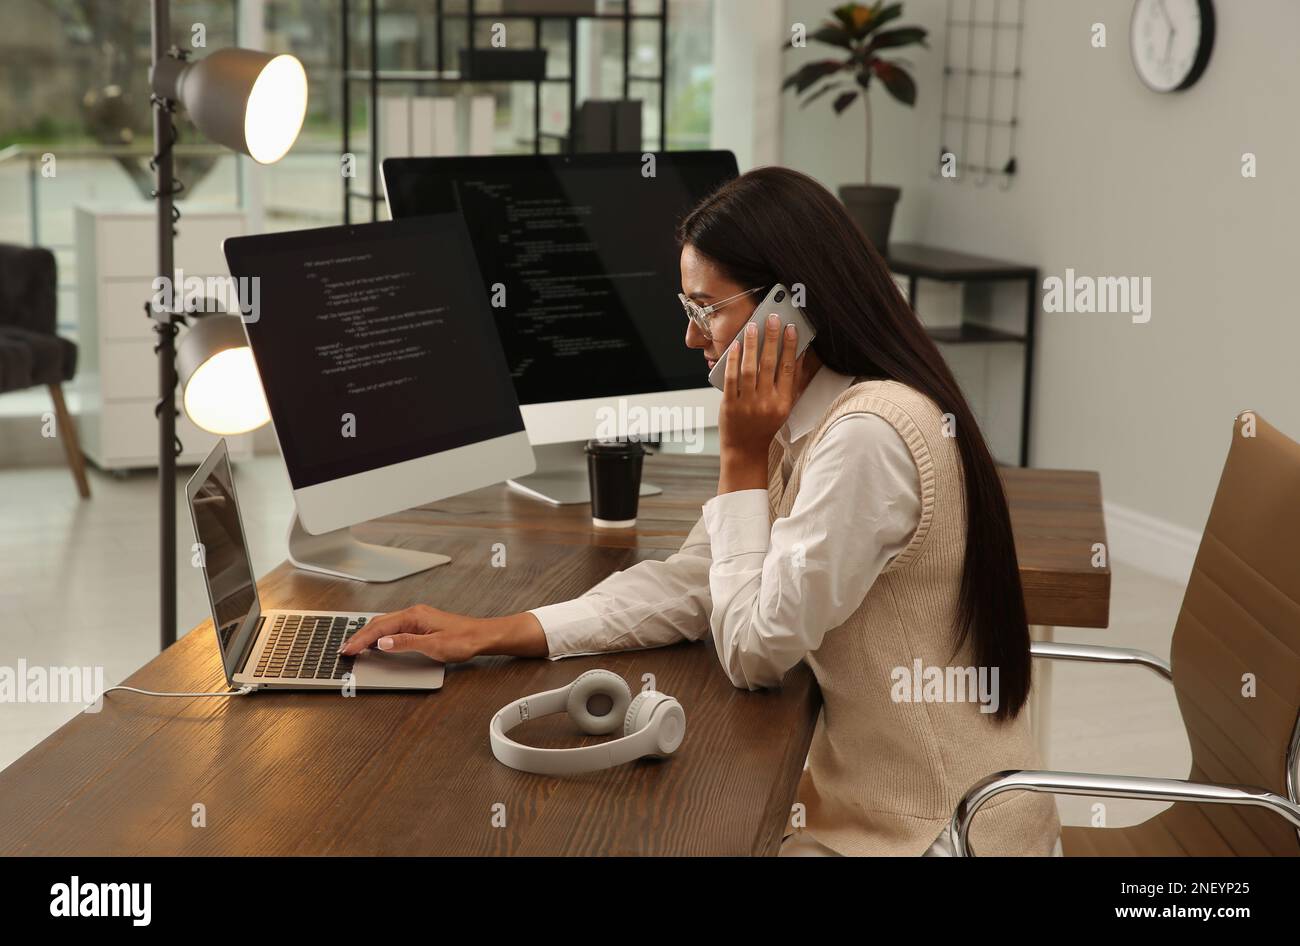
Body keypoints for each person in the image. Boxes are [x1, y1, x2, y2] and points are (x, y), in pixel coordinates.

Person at [341, 166, 1062, 857]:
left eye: (704, 309)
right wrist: (496, 632)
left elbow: (751, 650)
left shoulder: (865, 438)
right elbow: (696, 582)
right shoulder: (811, 421)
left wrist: (739, 456)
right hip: (863, 809)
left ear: (789, 307)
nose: (691, 337)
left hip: (932, 834)